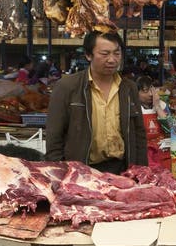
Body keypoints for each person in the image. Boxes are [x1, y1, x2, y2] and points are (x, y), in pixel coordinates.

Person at [45, 30, 147, 173]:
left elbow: (139, 133)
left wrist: (142, 172)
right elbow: (54, 136)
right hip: (81, 172)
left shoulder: (128, 88)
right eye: (104, 54)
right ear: (88, 55)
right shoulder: (67, 87)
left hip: (122, 171)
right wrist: (60, 173)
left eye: (116, 54)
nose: (112, 60)